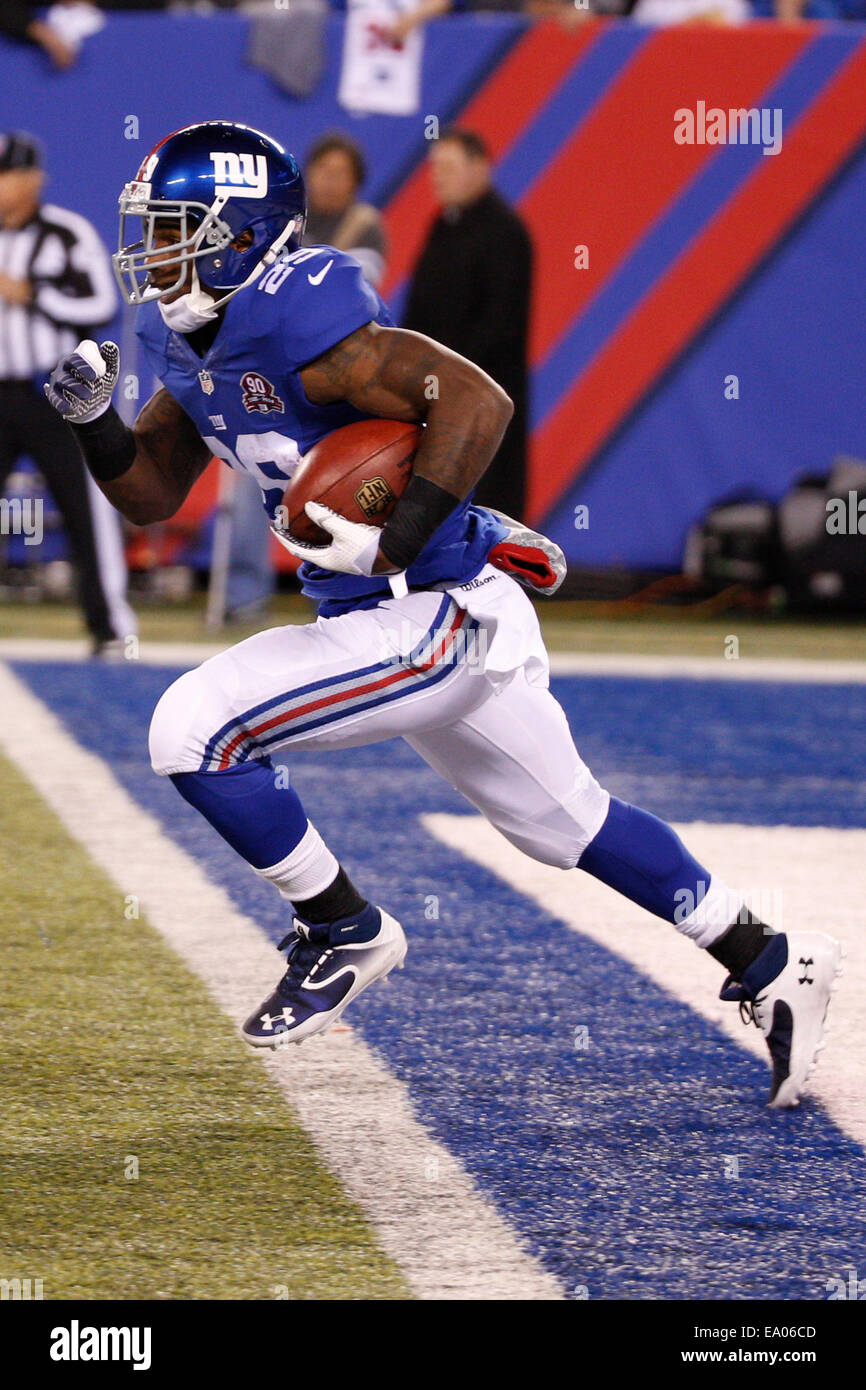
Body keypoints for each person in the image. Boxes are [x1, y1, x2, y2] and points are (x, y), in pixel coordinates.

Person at [47, 121, 839, 1109]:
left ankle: (345, 927)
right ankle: (770, 961)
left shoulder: (304, 322)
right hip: (420, 611)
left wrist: (400, 537)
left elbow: (474, 402)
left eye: (173, 228)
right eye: (150, 227)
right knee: (563, 822)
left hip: (427, 611)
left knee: (191, 729)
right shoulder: (182, 336)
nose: (152, 249)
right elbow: (157, 491)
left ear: (242, 238)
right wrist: (90, 423)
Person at [0, 131, 136, 655]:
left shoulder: (64, 233)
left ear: (35, 178)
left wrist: (33, 295)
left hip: (49, 389)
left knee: (86, 507)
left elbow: (102, 305)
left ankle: (110, 626)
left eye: (10, 174)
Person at [404, 128, 531, 520]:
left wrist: (446, 374)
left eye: (448, 167)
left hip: (481, 396)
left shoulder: (506, 233)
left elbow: (500, 325)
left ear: (480, 168)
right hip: (436, 391)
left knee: (483, 502)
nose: (437, 177)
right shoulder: (443, 225)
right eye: (434, 168)